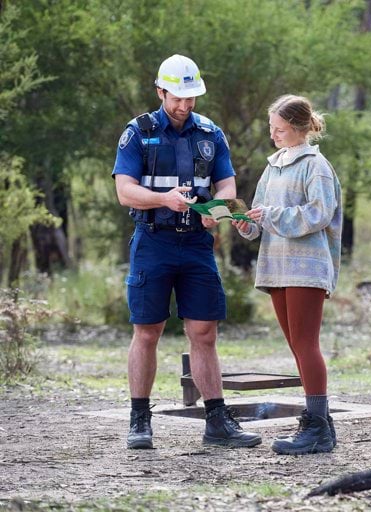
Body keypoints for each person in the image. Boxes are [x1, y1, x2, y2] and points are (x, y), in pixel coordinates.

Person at [112, 54, 261, 450]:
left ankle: (217, 420)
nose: (184, 105)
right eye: (177, 97)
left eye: (191, 97)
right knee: (147, 331)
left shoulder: (211, 133)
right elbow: (124, 190)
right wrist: (163, 199)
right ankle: (139, 420)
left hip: (197, 244)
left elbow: (226, 185)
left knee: (204, 332)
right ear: (160, 91)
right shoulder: (138, 132)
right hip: (153, 241)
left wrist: (218, 211)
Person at [233, 94, 342, 455]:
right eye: (271, 128)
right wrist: (241, 221)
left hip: (307, 266)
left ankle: (316, 428)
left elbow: (319, 214)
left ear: (298, 128)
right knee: (297, 345)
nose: (274, 134)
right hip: (277, 266)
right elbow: (261, 217)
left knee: (307, 345)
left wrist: (273, 216)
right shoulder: (273, 165)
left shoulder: (316, 166)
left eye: (279, 129)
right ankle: (321, 423)